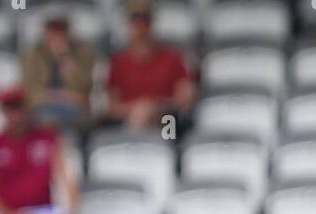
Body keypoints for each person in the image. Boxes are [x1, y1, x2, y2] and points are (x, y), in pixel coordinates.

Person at [0, 86, 79, 214]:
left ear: (27, 107)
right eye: (10, 108)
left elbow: (65, 180)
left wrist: (71, 213)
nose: (16, 114)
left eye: (19, 107)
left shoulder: (48, 139)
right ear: (3, 111)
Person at [104, 0, 196, 132]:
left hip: (168, 122)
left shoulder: (173, 58)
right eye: (135, 20)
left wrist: (154, 107)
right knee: (137, 117)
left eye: (145, 20)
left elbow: (185, 100)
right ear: (128, 24)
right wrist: (137, 109)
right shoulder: (118, 63)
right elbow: (112, 107)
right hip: (129, 120)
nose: (141, 27)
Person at [21, 9, 95, 131]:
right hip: (42, 107)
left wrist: (65, 58)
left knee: (77, 120)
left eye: (61, 29)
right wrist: (60, 96)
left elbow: (85, 88)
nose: (57, 34)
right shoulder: (33, 55)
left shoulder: (83, 54)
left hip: (73, 109)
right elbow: (30, 91)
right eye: (52, 29)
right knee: (44, 119)